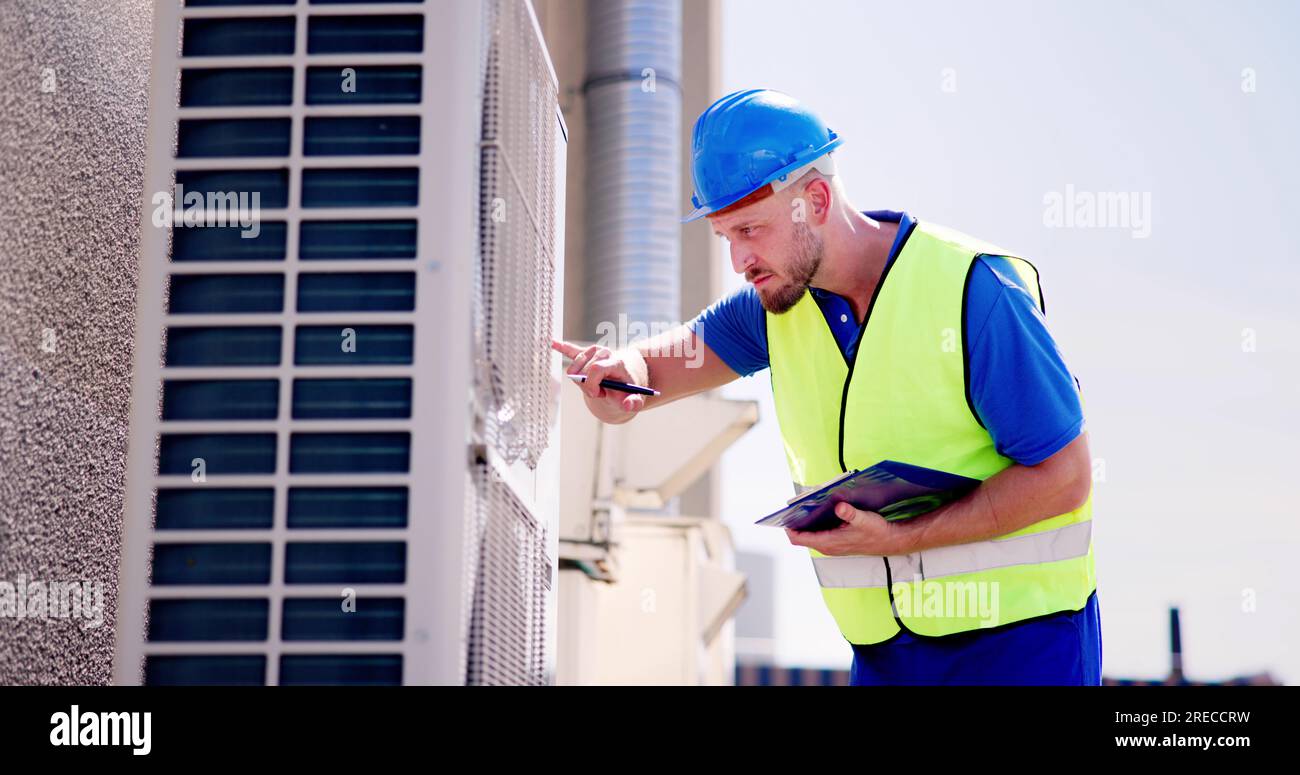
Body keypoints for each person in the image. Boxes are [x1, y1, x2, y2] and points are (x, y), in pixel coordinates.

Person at [552, 88, 1100, 685]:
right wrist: (619, 376)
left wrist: (904, 537)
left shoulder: (976, 290)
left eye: (751, 230)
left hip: (1023, 648)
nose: (739, 260)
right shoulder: (775, 305)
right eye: (725, 237)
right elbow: (653, 371)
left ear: (814, 199)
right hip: (888, 656)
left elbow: (1064, 476)